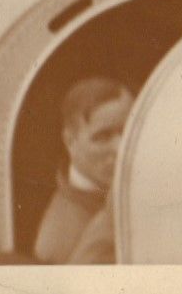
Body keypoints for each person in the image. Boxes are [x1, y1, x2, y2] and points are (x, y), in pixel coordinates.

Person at [33, 76, 131, 263]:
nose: (121, 148)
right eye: (103, 136)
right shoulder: (60, 236)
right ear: (70, 141)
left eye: (128, 131)